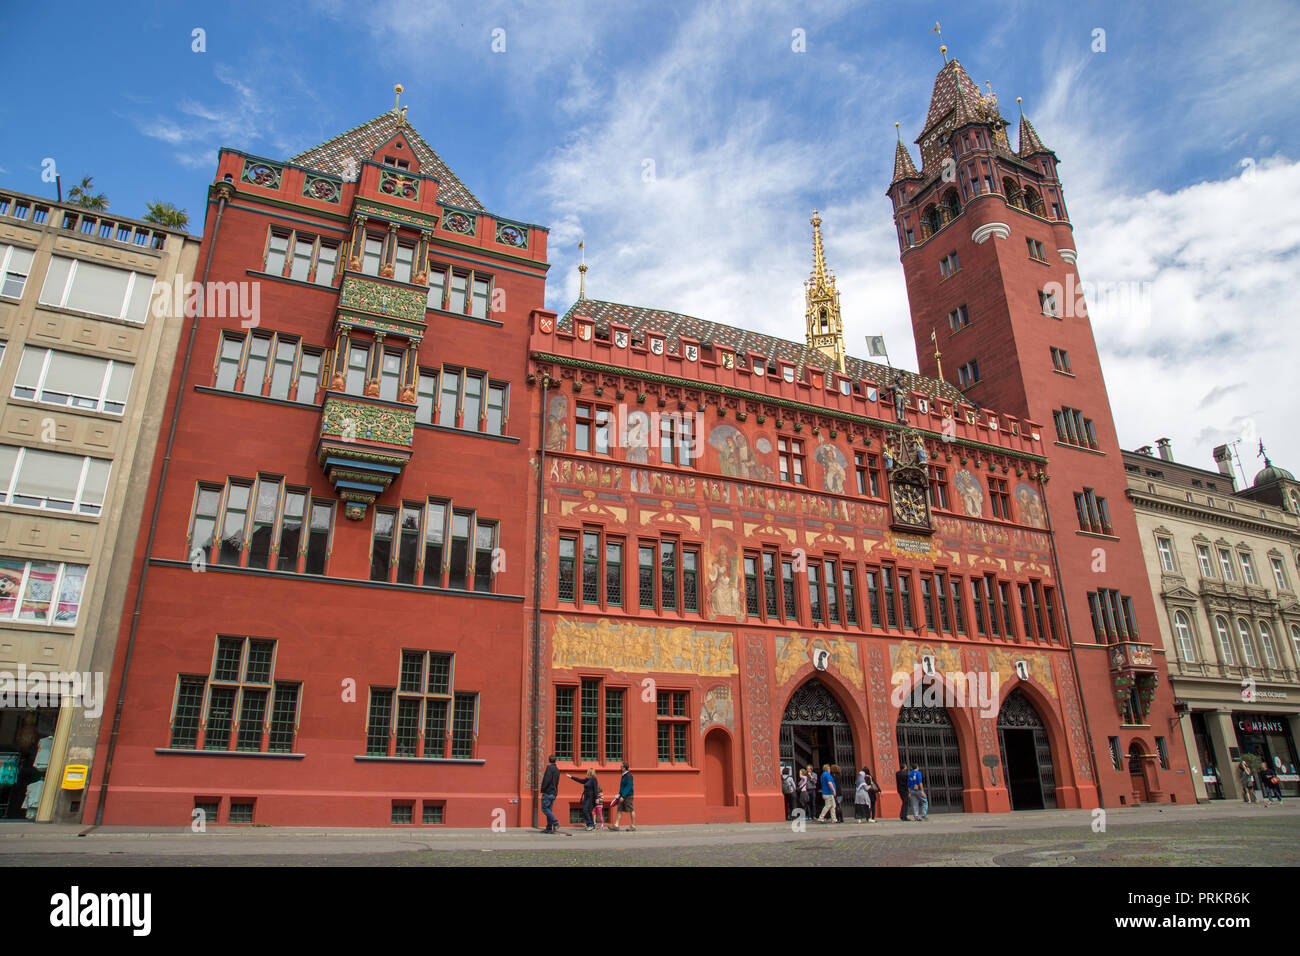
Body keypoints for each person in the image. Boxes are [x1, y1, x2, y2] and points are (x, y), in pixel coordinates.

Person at [610, 762, 636, 831]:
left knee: (631, 810)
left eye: (621, 766)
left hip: (628, 796)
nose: (620, 768)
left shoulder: (629, 775)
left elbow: (629, 786)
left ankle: (633, 826)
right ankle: (616, 825)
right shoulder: (624, 775)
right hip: (622, 796)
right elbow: (622, 787)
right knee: (619, 809)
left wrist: (623, 796)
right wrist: (619, 795)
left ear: (624, 768)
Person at [540, 754, 561, 833]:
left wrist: (543, 789)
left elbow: (547, 780)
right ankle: (549, 827)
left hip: (548, 792)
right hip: (554, 792)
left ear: (549, 760)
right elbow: (557, 782)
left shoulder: (549, 768)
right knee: (549, 810)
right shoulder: (557, 770)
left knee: (544, 809)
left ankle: (555, 822)